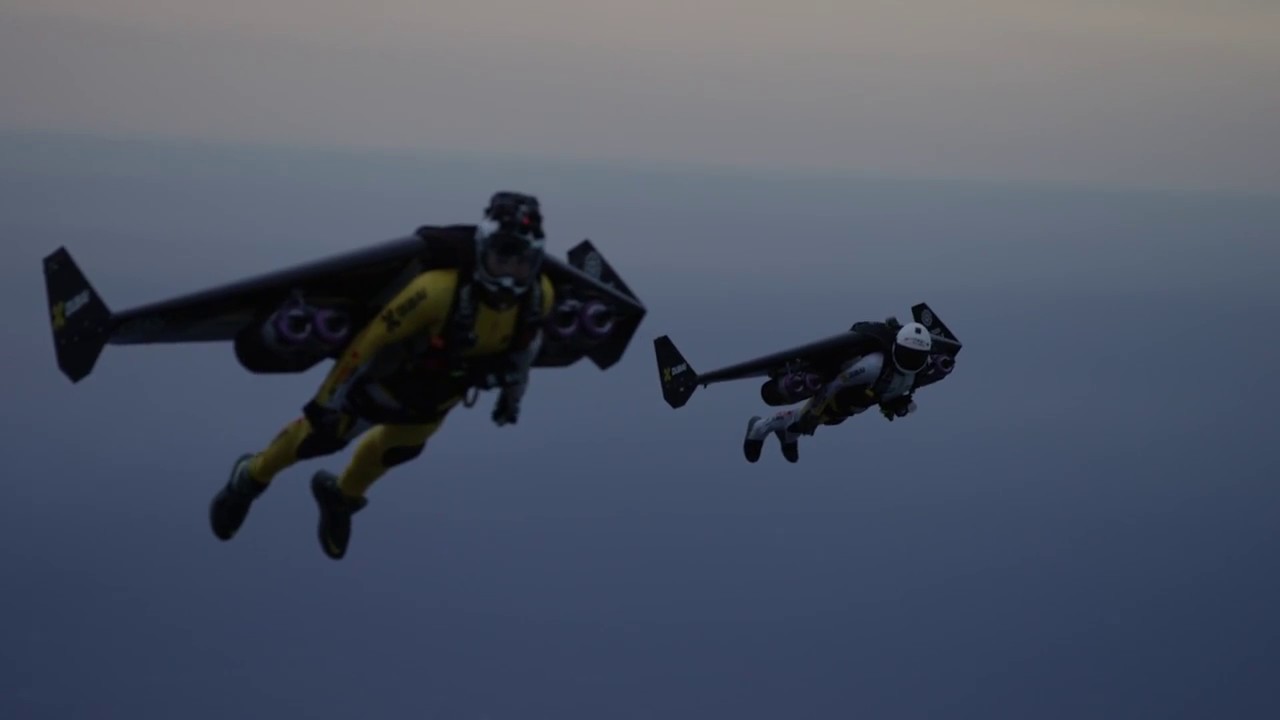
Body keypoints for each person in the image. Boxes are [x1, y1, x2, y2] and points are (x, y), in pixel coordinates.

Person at [208, 191, 555, 559]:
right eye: (503, 257)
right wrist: (327, 401)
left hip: (434, 403)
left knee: (395, 452)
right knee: (315, 439)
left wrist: (512, 399)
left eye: (523, 262)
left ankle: (341, 497)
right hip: (380, 387)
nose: (511, 274)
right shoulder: (436, 291)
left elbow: (524, 350)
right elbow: (368, 342)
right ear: (483, 250)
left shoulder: (539, 297)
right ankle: (250, 477)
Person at [742, 318, 933, 463]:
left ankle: (789, 434)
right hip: (839, 396)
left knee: (825, 420)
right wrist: (813, 413)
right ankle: (760, 427)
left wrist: (896, 404)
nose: (911, 360)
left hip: (857, 404)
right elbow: (836, 384)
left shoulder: (914, 373)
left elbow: (893, 391)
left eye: (917, 356)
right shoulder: (872, 365)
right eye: (908, 354)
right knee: (805, 420)